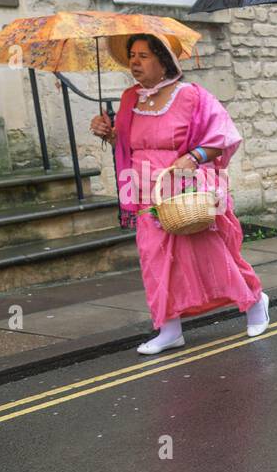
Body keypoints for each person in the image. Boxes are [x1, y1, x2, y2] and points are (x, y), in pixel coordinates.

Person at [90, 33, 267, 355]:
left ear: (163, 60)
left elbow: (225, 136)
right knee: (153, 258)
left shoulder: (192, 96)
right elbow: (127, 146)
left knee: (210, 254)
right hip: (146, 190)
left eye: (143, 55)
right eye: (132, 55)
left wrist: (193, 157)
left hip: (184, 190)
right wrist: (109, 133)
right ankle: (169, 329)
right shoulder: (130, 98)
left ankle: (254, 302)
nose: (135, 61)